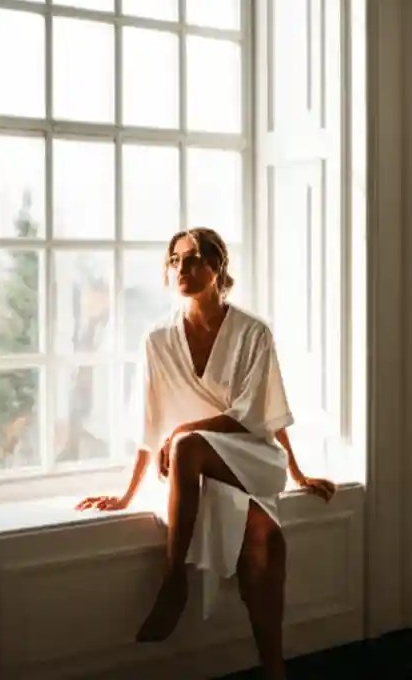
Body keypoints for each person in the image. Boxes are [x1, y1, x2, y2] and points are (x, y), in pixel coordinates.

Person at [76, 227, 336, 679]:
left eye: (194, 259)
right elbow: (148, 425)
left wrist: (297, 472)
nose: (183, 269)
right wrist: (125, 496)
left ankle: (174, 579)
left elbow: (263, 412)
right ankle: (275, 671)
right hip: (188, 474)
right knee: (265, 540)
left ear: (218, 266)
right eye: (174, 261)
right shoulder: (158, 340)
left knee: (187, 444)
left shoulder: (253, 333)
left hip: (250, 457)